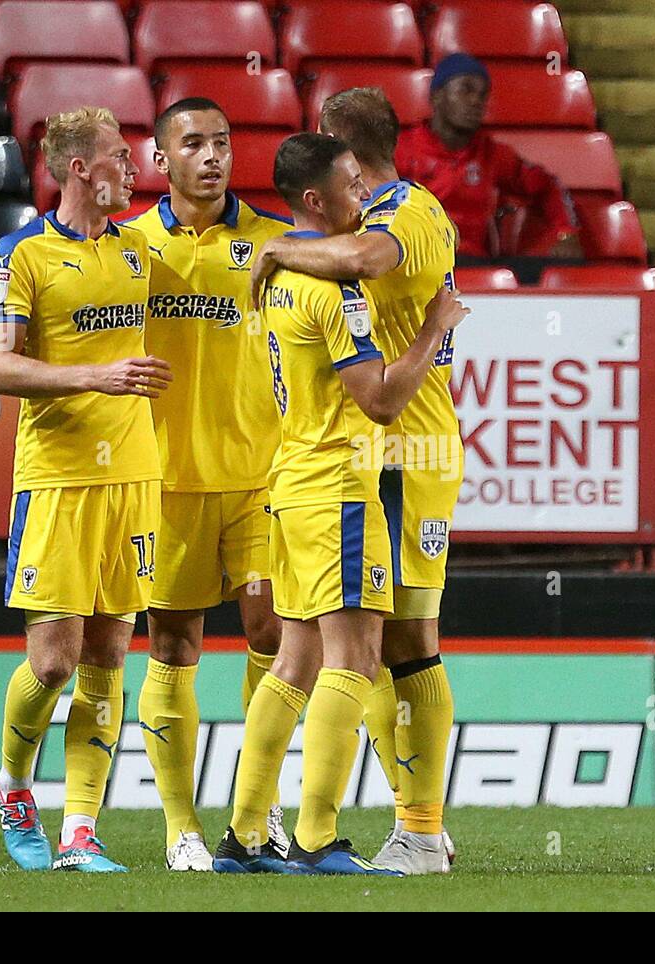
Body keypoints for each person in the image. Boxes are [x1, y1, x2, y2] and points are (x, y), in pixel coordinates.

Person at [213, 132, 469, 876]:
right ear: (317, 200)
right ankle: (317, 837)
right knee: (355, 661)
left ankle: (244, 834)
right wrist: (432, 328)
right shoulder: (335, 287)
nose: (366, 202)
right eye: (352, 190)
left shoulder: (279, 276)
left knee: (291, 662)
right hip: (342, 486)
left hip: (289, 482)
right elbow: (383, 399)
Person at [0, 106, 169, 874]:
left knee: (109, 656)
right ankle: (15, 786)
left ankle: (81, 831)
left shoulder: (138, 250)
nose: (135, 169)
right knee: (54, 661)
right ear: (81, 169)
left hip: (134, 476)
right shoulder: (17, 255)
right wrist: (96, 375)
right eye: (121, 158)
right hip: (57, 478)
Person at [124, 97, 293, 872]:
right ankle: (180, 825)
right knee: (175, 645)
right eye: (193, 143)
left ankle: (259, 812)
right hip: (168, 480)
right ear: (162, 160)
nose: (212, 156)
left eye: (222, 142)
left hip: (263, 474)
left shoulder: (277, 243)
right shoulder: (130, 248)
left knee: (272, 631)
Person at [395, 52, 581, 259]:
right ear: (437, 96)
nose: (476, 101)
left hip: (475, 268)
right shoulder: (401, 150)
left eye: (482, 95)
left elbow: (548, 186)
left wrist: (566, 233)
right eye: (466, 90)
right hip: (414, 265)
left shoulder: (494, 155)